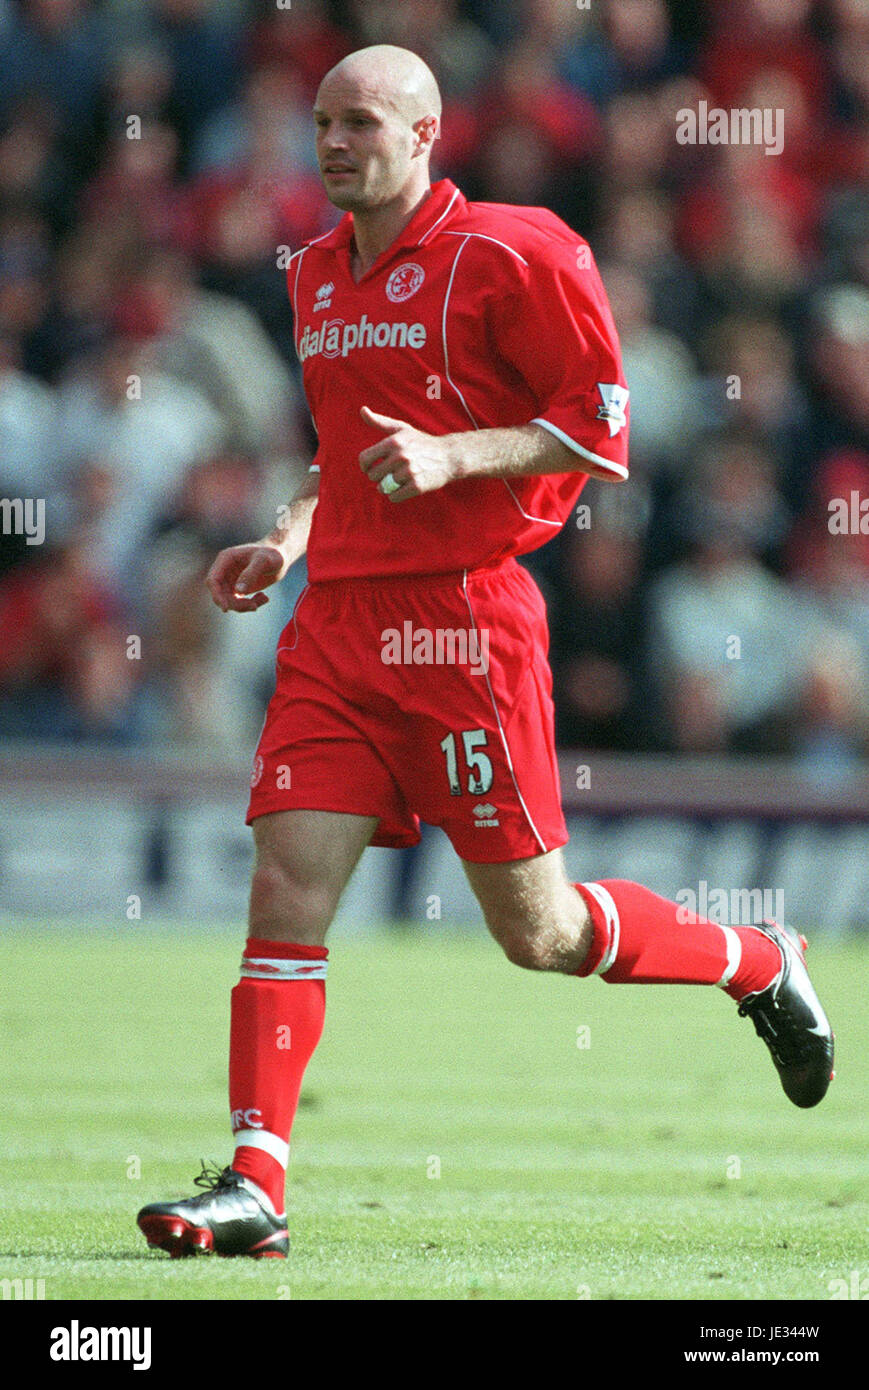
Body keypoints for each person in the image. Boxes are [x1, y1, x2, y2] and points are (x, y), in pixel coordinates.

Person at [137, 46, 834, 1260]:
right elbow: (344, 445)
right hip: (340, 626)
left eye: (360, 121)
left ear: (424, 134)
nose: (334, 141)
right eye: (321, 120)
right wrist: (293, 535)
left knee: (541, 935)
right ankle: (257, 1186)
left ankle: (754, 957)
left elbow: (599, 429)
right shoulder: (311, 274)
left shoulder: (520, 249)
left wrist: (462, 456)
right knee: (285, 886)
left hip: (464, 623)